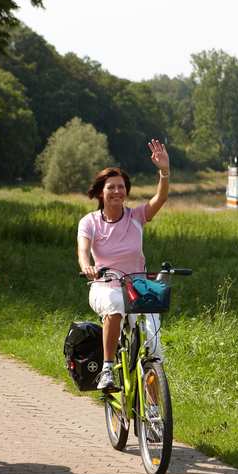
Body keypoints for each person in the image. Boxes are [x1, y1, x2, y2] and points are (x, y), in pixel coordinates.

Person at [77, 139, 170, 390]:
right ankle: (107, 369)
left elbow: (160, 198)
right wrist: (87, 266)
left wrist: (164, 171)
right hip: (104, 285)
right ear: (100, 192)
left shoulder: (136, 216)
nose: (117, 192)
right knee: (115, 306)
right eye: (111, 187)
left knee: (153, 345)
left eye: (121, 187)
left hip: (138, 286)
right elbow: (83, 250)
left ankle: (153, 409)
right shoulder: (90, 222)